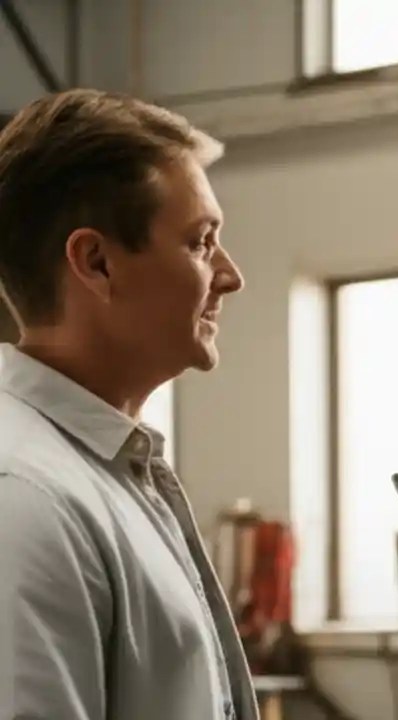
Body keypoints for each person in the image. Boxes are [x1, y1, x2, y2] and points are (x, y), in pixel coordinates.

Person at [0, 90, 252, 719]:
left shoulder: (106, 473)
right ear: (96, 262)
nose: (230, 275)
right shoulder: (28, 501)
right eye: (200, 242)